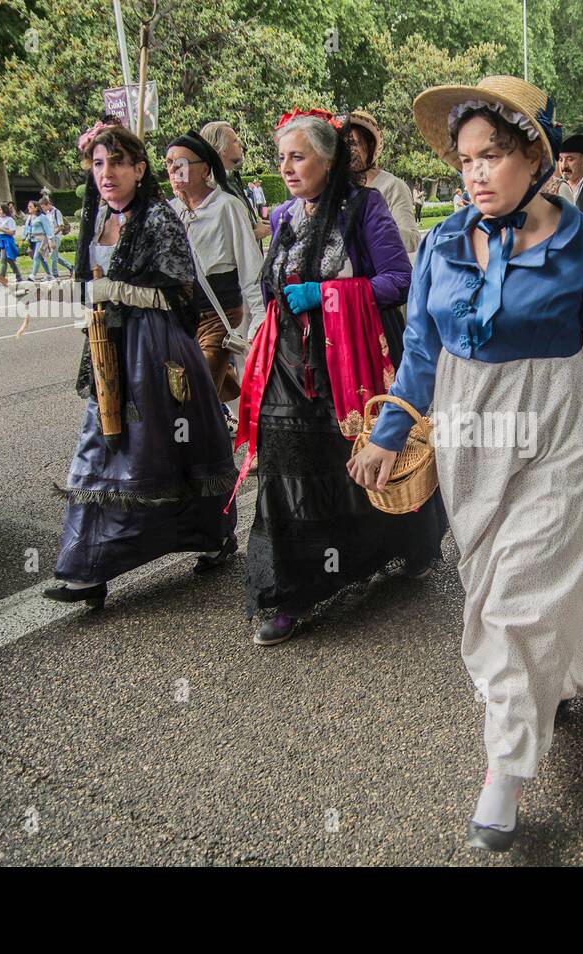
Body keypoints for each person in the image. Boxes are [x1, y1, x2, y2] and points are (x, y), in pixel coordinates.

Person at [347, 76, 583, 853]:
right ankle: (564, 683)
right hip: (468, 436)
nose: (474, 173)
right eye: (465, 160)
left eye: (491, 155)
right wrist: (390, 432)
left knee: (516, 601)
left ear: (535, 156)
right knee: (497, 577)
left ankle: (505, 770)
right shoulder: (438, 243)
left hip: (559, 431)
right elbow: (421, 354)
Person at [236, 106, 447, 646]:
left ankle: (403, 542)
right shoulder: (284, 216)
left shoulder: (365, 208)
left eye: (298, 156)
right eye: (280, 158)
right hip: (290, 363)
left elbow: (398, 279)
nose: (285, 167)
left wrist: (327, 295)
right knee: (285, 470)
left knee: (360, 458)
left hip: (350, 360)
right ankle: (288, 592)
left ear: (328, 161)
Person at [42, 122, 238, 608]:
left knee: (165, 449)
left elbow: (178, 289)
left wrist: (115, 292)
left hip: (156, 349)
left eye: (116, 163)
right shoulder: (95, 219)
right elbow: (88, 281)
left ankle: (212, 536)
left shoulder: (157, 218)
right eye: (97, 164)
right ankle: (86, 569)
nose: (105, 174)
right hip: (108, 348)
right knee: (101, 444)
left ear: (139, 169)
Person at [165, 129, 266, 419]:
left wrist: (259, 318)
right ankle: (255, 431)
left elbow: (250, 266)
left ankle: (207, 457)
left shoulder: (227, 207)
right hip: (184, 319)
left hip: (221, 314)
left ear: (204, 169)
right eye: (169, 163)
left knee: (193, 391)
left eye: (181, 162)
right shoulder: (168, 213)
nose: (173, 169)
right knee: (223, 385)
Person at [342, 110, 421, 253]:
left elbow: (412, 239)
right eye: (344, 145)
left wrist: (373, 231)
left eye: (354, 143)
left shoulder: (392, 186)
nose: (348, 151)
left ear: (371, 146)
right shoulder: (338, 188)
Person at [200, 120, 271, 241]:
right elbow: (219, 242)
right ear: (221, 149)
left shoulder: (232, 181)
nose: (241, 144)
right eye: (234, 141)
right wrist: (256, 234)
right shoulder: (212, 189)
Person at [0, 202, 24, 281]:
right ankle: (18, 276)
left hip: (7, 240)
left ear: (4, 210)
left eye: (0, 209)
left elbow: (12, 232)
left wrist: (0, 228)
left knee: (3, 259)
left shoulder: (9, 220)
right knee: (9, 259)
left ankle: (0, 276)